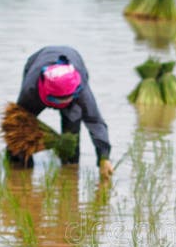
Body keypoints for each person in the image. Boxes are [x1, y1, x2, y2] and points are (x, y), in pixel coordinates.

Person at [8, 45, 113, 179]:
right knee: (21, 135)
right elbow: (16, 123)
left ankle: (70, 175)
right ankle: (18, 174)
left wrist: (104, 157)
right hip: (37, 62)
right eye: (57, 100)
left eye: (64, 101)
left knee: (71, 140)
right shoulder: (31, 89)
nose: (60, 105)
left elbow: (95, 121)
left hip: (74, 66)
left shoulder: (82, 93)